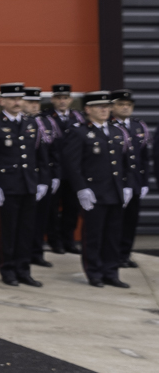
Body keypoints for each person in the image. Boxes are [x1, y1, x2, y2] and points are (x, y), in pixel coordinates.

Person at [0, 83, 49, 287]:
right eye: (12, 99)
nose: (17, 103)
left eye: (19, 99)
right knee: (9, 231)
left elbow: (41, 157)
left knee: (27, 230)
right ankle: (8, 270)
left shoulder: (32, 124)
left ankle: (24, 270)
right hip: (7, 186)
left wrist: (43, 181)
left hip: (28, 185)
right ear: (2, 102)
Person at [62, 92, 131, 288]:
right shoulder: (79, 132)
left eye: (107, 106)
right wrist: (82, 189)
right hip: (94, 193)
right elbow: (72, 165)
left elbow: (124, 163)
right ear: (87, 109)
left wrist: (126, 186)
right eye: (99, 107)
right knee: (93, 235)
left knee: (113, 235)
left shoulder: (117, 132)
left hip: (115, 192)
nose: (104, 110)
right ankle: (94, 273)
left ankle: (111, 272)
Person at [111, 89, 151, 269]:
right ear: (113, 106)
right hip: (115, 184)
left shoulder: (138, 127)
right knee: (115, 221)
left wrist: (144, 182)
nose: (125, 108)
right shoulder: (109, 126)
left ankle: (125, 255)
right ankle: (112, 255)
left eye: (128, 105)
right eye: (121, 104)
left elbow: (143, 157)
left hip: (134, 182)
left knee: (130, 221)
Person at [23, 88, 61, 268]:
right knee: (24, 220)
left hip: (44, 178)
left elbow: (55, 151)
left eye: (36, 102)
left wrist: (54, 176)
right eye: (30, 102)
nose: (33, 106)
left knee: (41, 219)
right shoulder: (20, 122)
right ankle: (22, 254)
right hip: (24, 179)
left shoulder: (47, 122)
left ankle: (36, 253)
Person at [49, 84, 84, 253]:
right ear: (53, 99)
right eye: (58, 98)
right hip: (55, 171)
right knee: (53, 209)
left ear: (70, 100)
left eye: (65, 98)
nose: (62, 101)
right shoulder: (47, 118)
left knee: (72, 208)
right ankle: (55, 241)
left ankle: (68, 240)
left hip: (73, 172)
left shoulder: (79, 118)